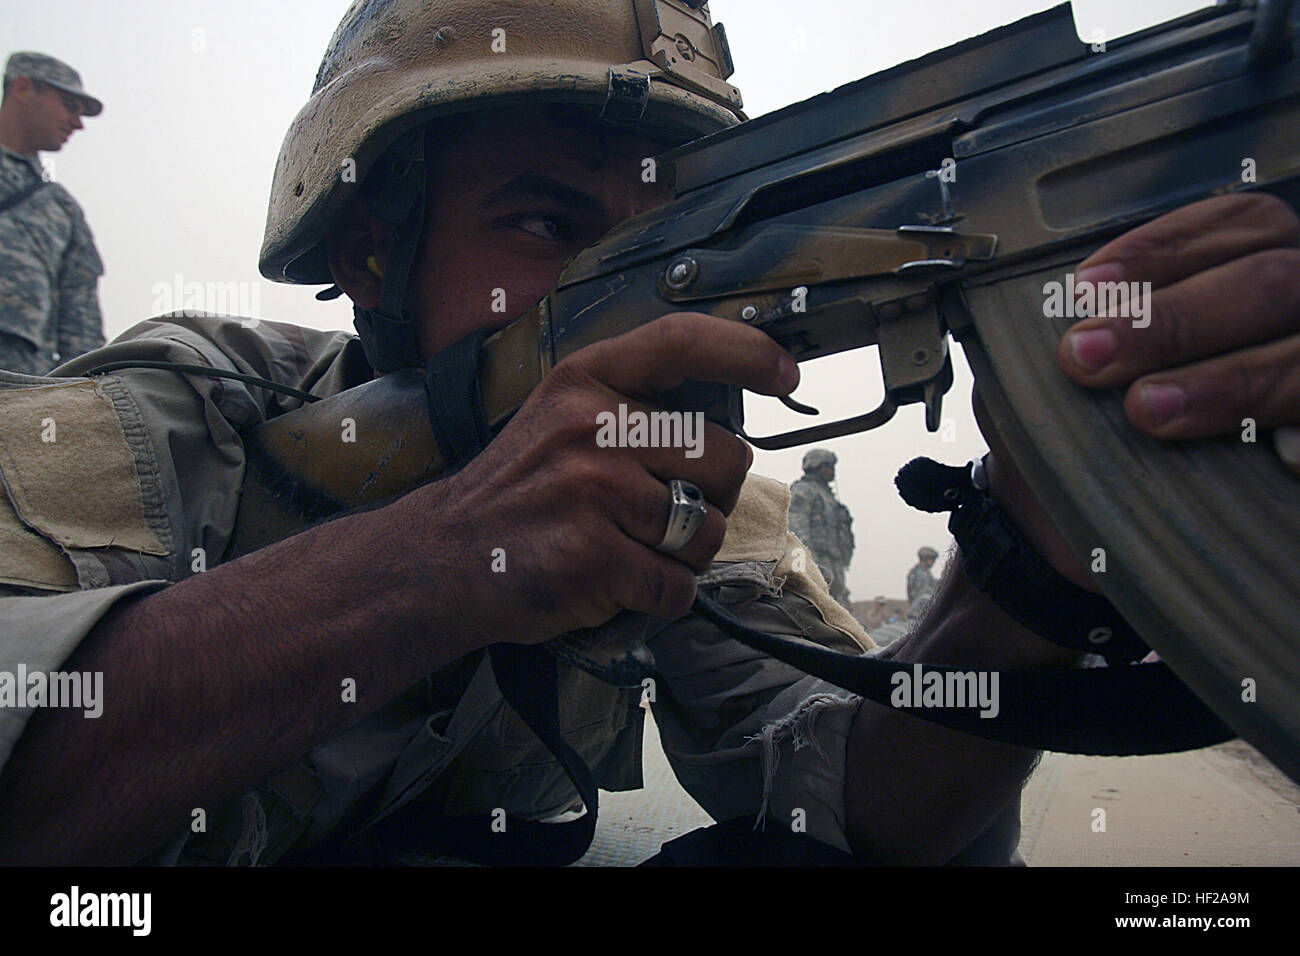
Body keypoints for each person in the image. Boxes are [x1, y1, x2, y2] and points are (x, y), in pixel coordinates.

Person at [0, 0, 1297, 868]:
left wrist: (1022, 568)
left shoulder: (667, 475)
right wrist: (445, 560)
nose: (603, 297)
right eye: (547, 224)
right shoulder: (181, 407)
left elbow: (852, 801)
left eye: (654, 241)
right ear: (372, 250)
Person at [0, 52, 104, 375]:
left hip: (18, 393)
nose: (78, 123)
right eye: (69, 106)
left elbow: (81, 333)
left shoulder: (62, 209)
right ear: (23, 89)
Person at [788, 448, 855, 608]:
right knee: (815, 602)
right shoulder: (804, 490)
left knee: (834, 603)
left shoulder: (828, 495)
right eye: (828, 466)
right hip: (817, 559)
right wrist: (809, 559)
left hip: (834, 559)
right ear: (815, 465)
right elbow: (797, 526)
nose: (832, 471)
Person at [908, 546, 939, 612]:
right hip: (919, 609)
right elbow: (924, 591)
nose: (933, 562)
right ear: (925, 558)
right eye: (932, 559)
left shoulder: (926, 573)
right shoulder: (919, 573)